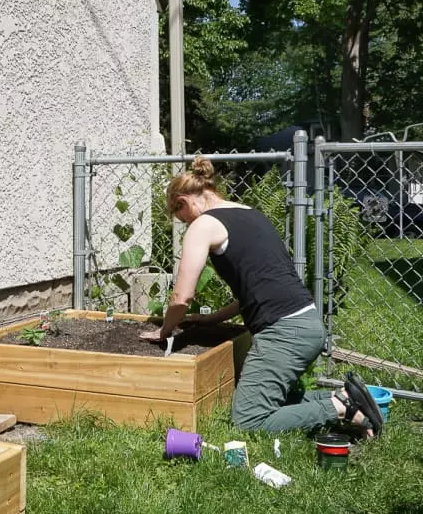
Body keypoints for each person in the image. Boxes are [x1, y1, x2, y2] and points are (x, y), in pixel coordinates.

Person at [139, 157, 384, 437]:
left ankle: (339, 408)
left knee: (248, 419)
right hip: (307, 324)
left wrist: (165, 330)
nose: (186, 224)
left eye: (183, 218)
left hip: (283, 333)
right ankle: (346, 398)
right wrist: (212, 318)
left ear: (184, 202)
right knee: (266, 402)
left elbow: (181, 296)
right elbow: (258, 288)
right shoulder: (251, 214)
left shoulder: (204, 224)